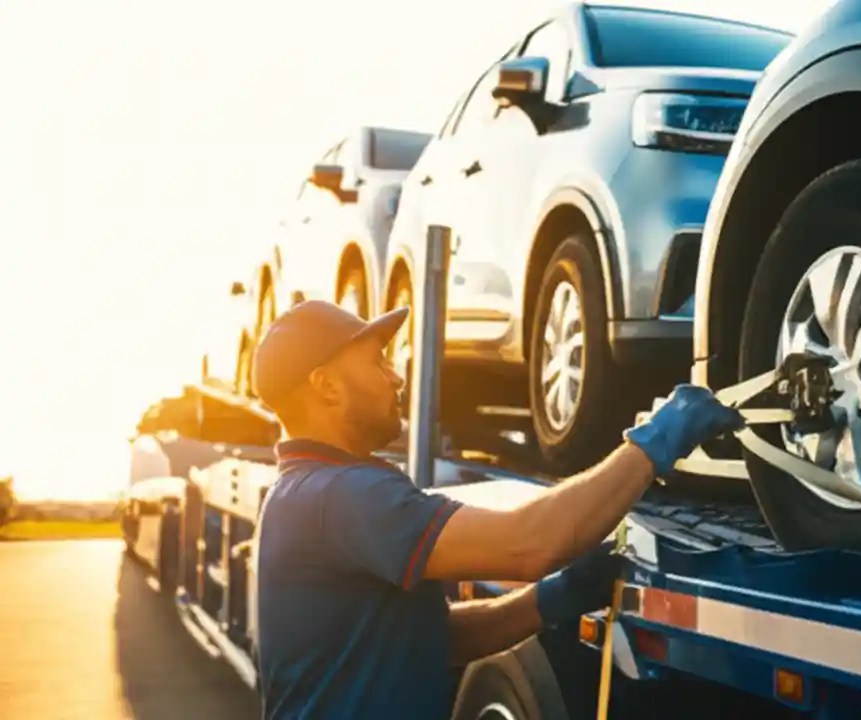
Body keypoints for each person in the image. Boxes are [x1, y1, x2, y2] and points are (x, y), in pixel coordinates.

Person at [249, 300, 743, 719]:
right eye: (378, 361)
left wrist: (552, 598)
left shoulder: (306, 495)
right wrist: (655, 441)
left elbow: (441, 639)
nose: (395, 377)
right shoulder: (338, 496)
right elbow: (528, 544)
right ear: (327, 386)